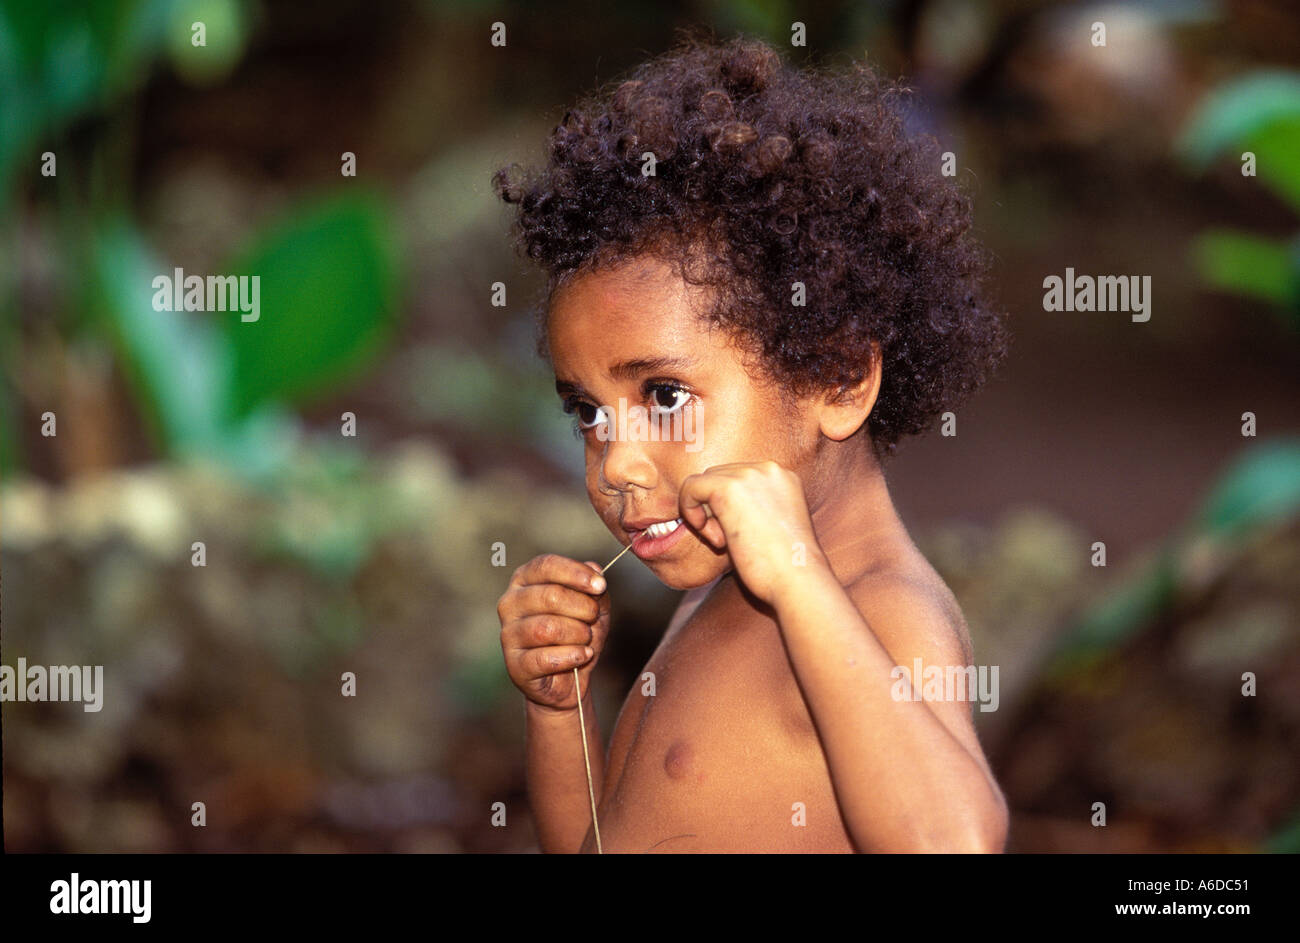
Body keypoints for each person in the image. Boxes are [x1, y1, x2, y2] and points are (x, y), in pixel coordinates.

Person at [493, 31, 1011, 853]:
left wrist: (800, 581)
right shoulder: (713, 590)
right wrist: (561, 707)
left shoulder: (879, 609)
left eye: (665, 396)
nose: (616, 463)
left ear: (836, 377)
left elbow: (952, 841)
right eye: (588, 412)